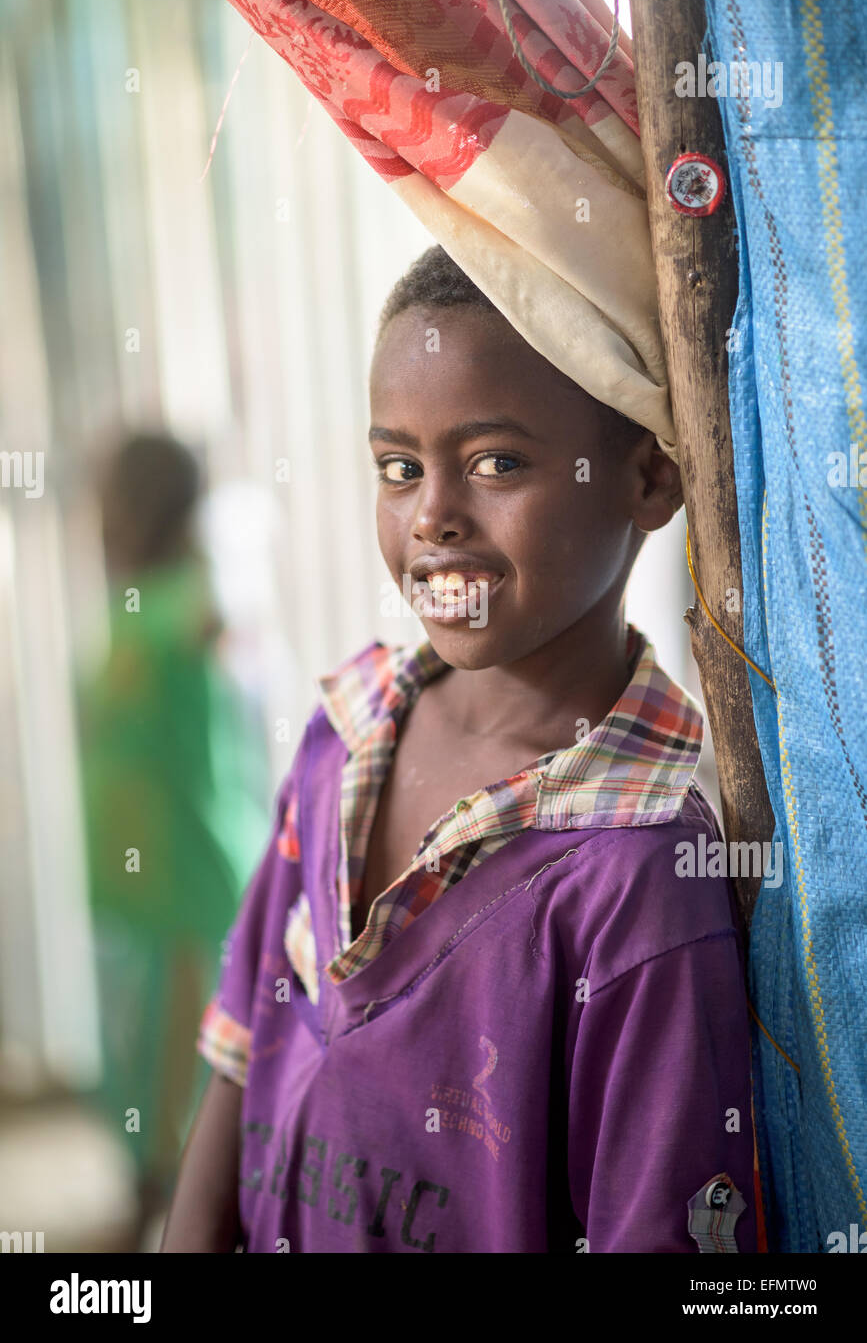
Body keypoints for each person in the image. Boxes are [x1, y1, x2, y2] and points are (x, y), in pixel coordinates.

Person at [161, 247, 757, 1254]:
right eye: (398, 468)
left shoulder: (638, 880)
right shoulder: (343, 737)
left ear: (649, 479)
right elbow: (238, 1061)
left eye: (496, 463)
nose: (431, 515)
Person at [79, 432, 270, 1251]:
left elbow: (225, 640)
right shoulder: (134, 597)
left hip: (188, 877)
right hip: (131, 883)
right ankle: (154, 1191)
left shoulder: (191, 604)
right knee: (142, 1047)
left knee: (187, 1059)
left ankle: (172, 1204)